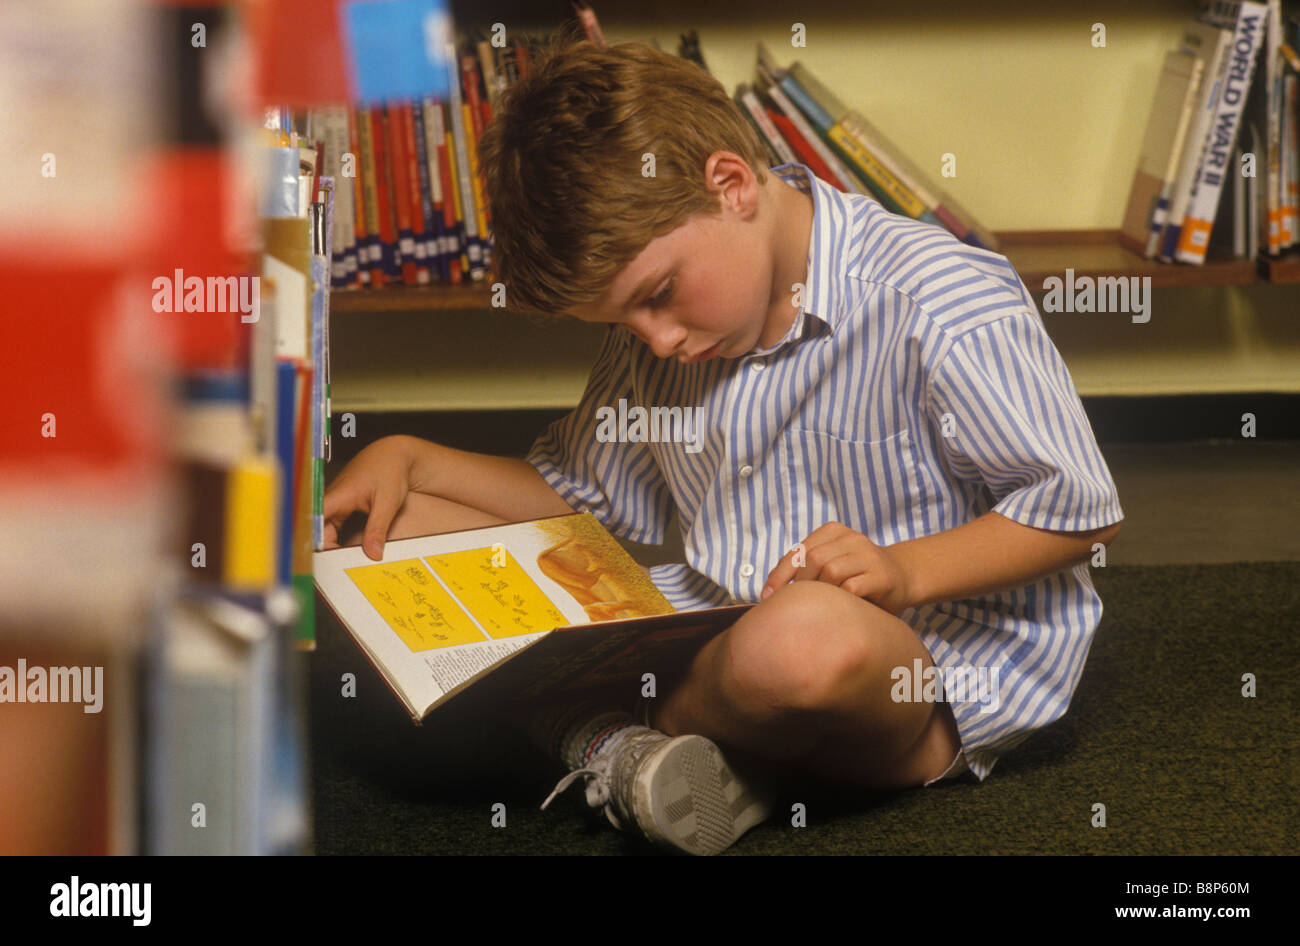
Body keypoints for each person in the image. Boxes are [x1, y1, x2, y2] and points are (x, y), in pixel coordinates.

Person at [323, 37, 1124, 856]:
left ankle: (594, 737)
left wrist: (903, 569)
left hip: (910, 666)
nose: (656, 340)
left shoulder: (942, 299)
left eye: (659, 296)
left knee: (802, 639)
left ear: (732, 185)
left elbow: (1077, 513)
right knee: (388, 540)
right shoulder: (664, 329)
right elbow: (579, 495)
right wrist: (412, 458)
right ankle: (700, 753)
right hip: (709, 624)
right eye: (621, 323)